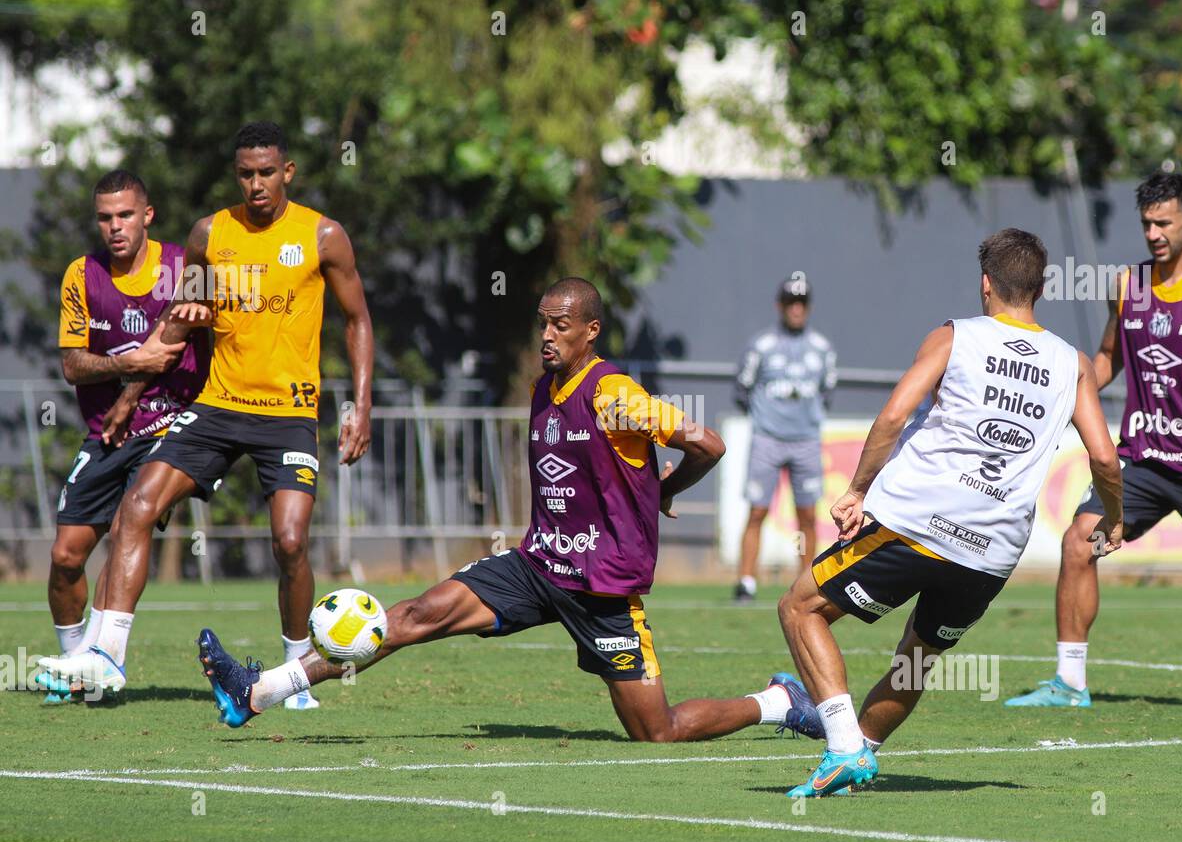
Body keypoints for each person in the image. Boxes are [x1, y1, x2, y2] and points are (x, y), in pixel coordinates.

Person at [197, 277, 824, 743]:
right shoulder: (543, 390)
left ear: (590, 331)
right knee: (415, 614)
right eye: (543, 323)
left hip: (601, 587)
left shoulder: (614, 395)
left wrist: (665, 490)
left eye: (561, 325)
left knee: (653, 732)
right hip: (536, 565)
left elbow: (707, 443)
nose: (548, 335)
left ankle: (775, 700)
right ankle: (256, 691)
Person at [776, 229, 1124, 797]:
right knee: (917, 657)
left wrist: (858, 488)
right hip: (992, 552)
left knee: (800, 607)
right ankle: (857, 754)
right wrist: (1116, 517)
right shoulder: (1073, 363)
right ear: (1040, 288)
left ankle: (842, 745)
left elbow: (892, 416)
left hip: (915, 524)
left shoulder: (954, 336)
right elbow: (1105, 459)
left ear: (986, 284)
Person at [40, 121, 374, 709]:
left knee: (290, 541)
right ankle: (105, 655)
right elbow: (174, 323)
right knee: (138, 506)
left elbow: (358, 322)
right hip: (217, 405)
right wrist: (127, 399)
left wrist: (361, 405)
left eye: (266, 172)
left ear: (287, 172)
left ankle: (295, 670)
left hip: (288, 414)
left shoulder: (323, 235)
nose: (256, 184)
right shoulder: (208, 234)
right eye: (245, 173)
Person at [1006, 171, 1182, 708]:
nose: (1154, 232)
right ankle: (1069, 685)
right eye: (1146, 223)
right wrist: (1065, 392)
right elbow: (1108, 357)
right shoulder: (1128, 285)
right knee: (1081, 543)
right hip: (1140, 466)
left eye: (1164, 222)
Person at [38, 170, 209, 703]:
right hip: (106, 432)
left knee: (127, 521)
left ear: (148, 215)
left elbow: (211, 321)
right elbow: (71, 365)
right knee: (67, 556)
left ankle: (107, 655)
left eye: (126, 215)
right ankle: (74, 667)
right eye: (105, 217)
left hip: (171, 428)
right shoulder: (81, 276)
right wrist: (132, 362)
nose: (115, 227)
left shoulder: (185, 266)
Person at [733, 278, 837, 602]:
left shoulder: (822, 349)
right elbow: (742, 390)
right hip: (768, 439)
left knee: (806, 516)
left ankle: (805, 579)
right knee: (757, 511)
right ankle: (746, 582)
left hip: (805, 440)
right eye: (791, 302)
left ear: (809, 307)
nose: (796, 308)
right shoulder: (761, 345)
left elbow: (826, 392)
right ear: (779, 305)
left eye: (802, 302)